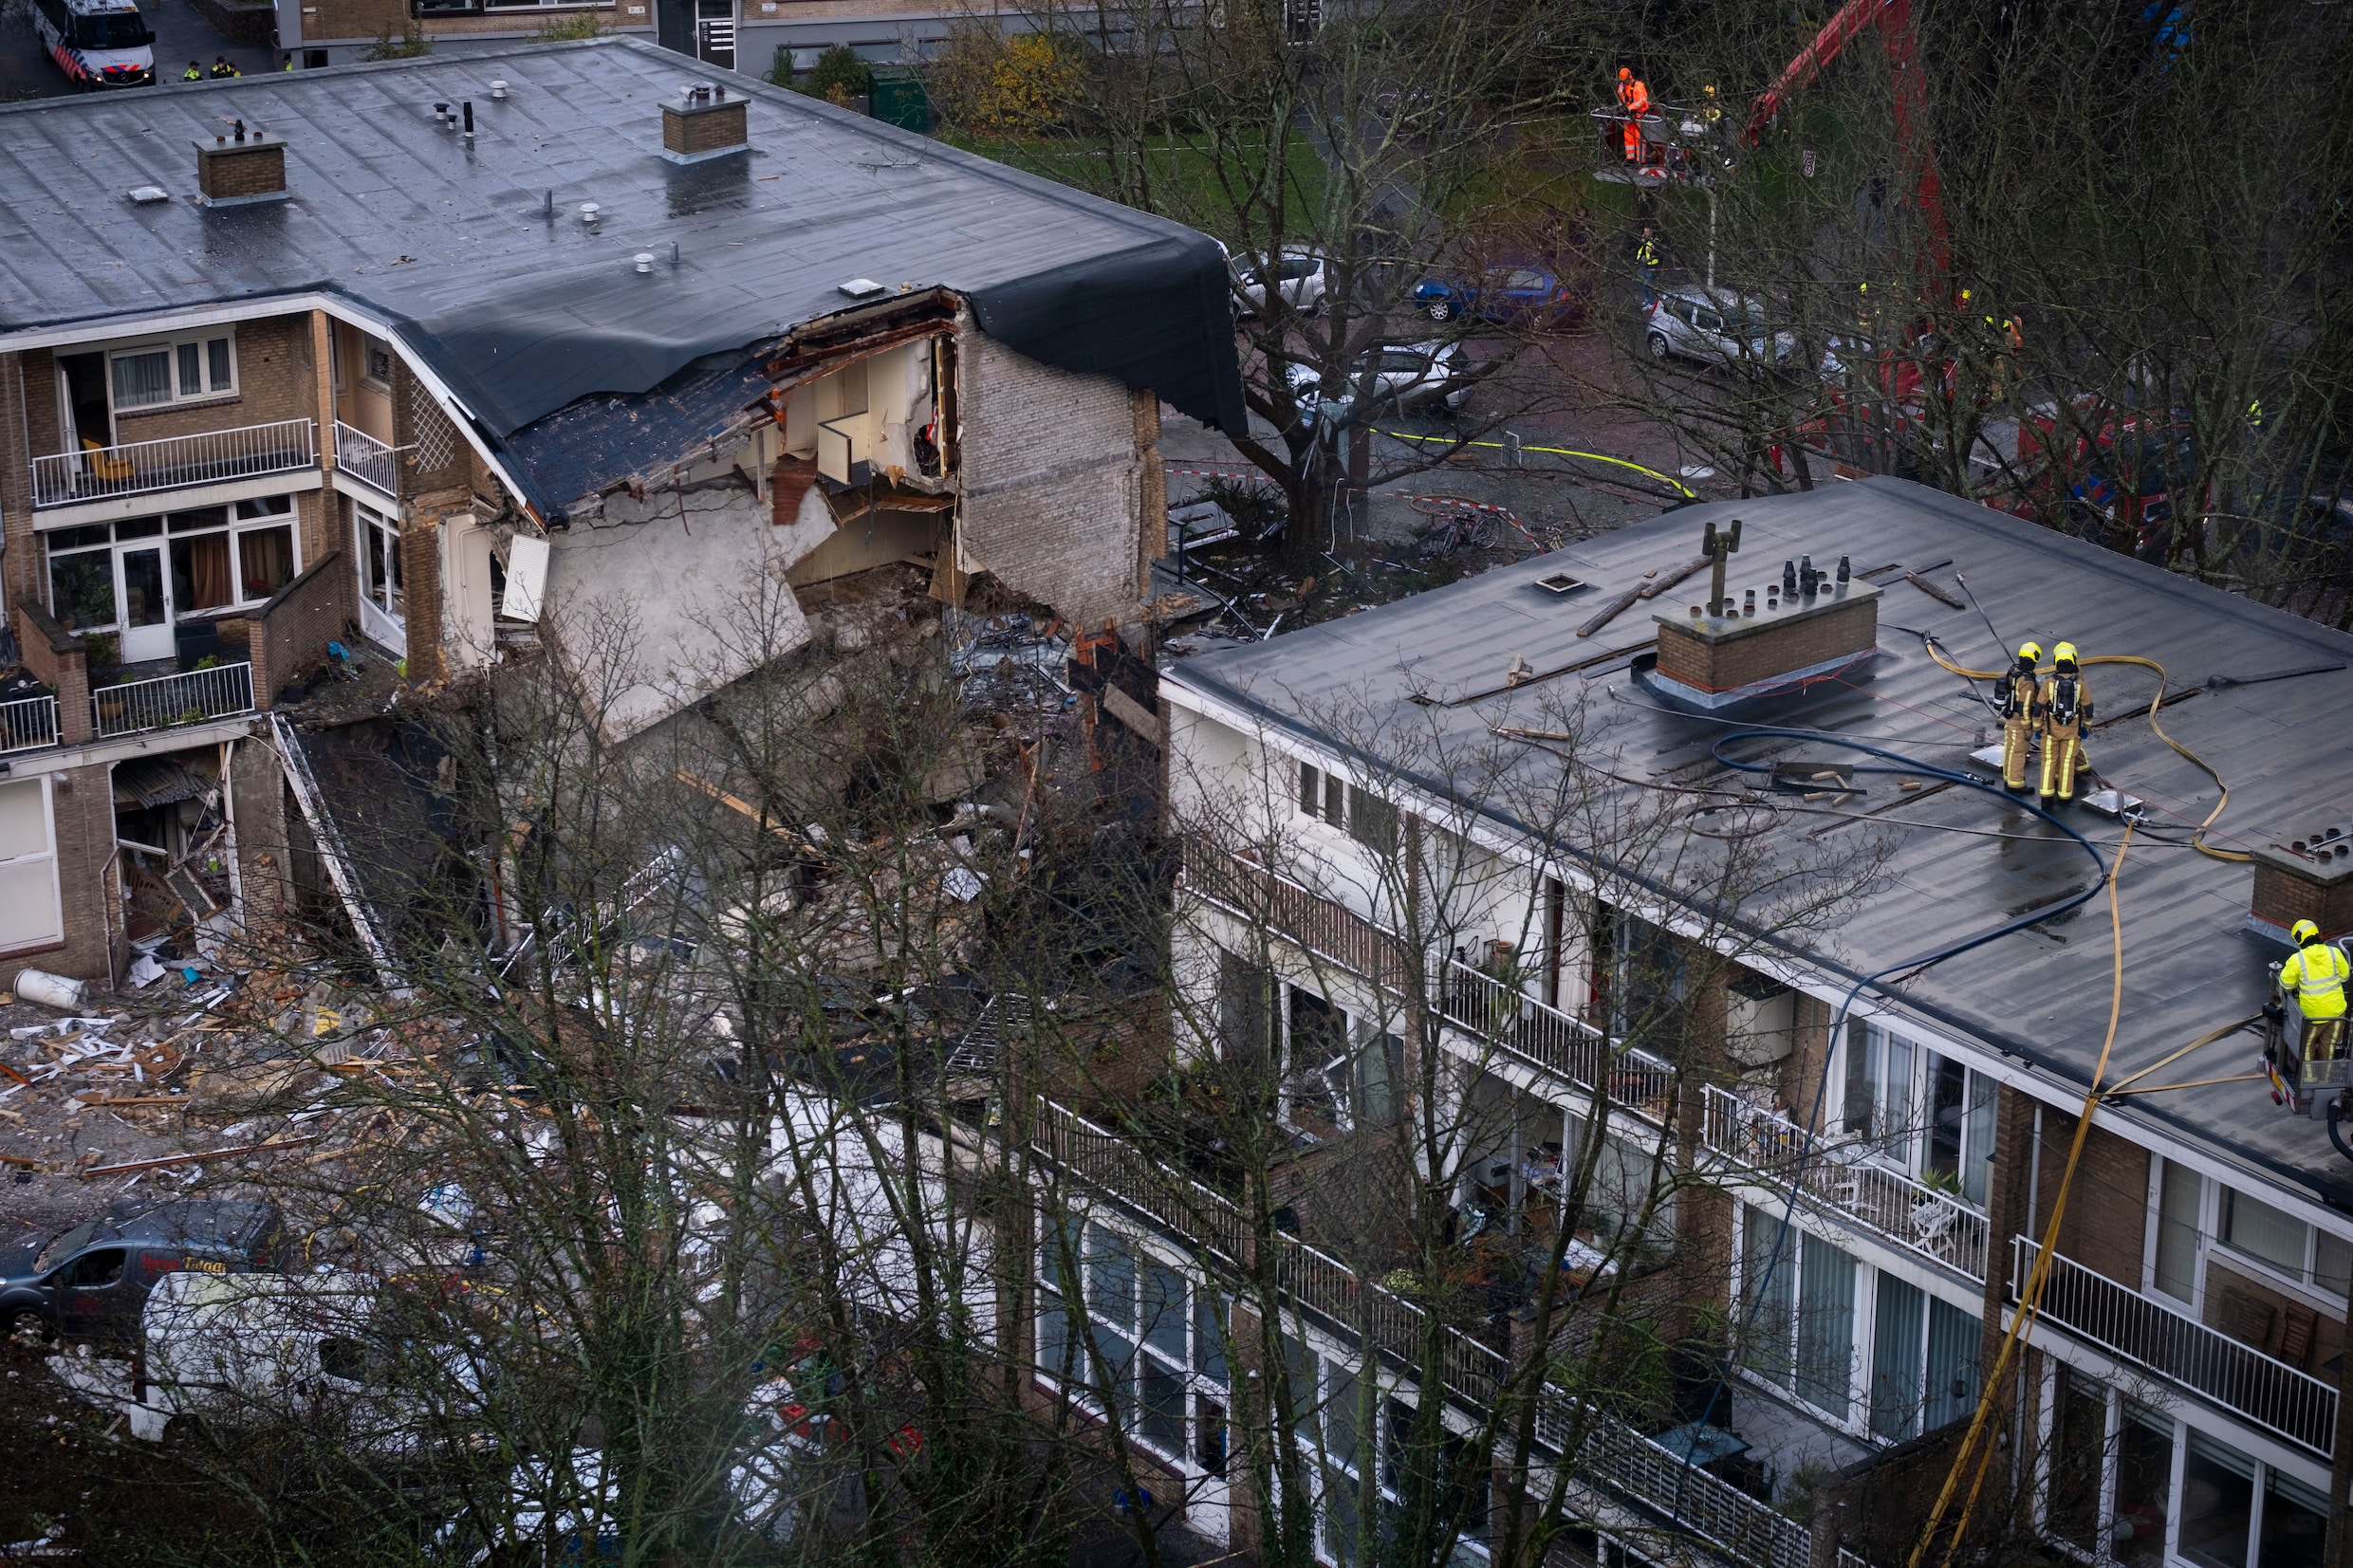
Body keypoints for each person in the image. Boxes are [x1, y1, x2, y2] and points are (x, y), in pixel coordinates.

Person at [2282, 919, 2350, 1076]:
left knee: (2307, 1046)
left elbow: (2286, 984)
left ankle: (2311, 1079)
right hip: (2337, 1012)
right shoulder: (2334, 952)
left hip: (2312, 1015)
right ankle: (2324, 1078)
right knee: (2329, 1045)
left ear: (2299, 939)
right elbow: (2345, 976)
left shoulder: (2297, 960)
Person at [2036, 641, 2092, 804]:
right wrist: (2086, 727)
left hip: (2050, 731)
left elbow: (2039, 707)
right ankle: (2065, 795)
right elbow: (2088, 709)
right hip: (2071, 731)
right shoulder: (2080, 684)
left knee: (2048, 761)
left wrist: (2037, 727)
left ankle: (2046, 796)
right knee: (2067, 762)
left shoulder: (2048, 683)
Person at [1992, 641, 2041, 794]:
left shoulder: (2013, 670)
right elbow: (2024, 706)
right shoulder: (2026, 681)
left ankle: (2009, 779)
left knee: (2010, 749)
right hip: (2020, 721)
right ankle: (2016, 784)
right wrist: (2027, 728)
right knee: (2019, 751)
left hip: (2010, 716)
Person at [1616, 67, 1651, 163]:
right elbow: (1620, 98)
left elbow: (1642, 101)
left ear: (1629, 77)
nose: (1624, 82)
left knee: (1639, 139)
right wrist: (1623, 109)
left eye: (1625, 80)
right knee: (1628, 137)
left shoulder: (1638, 86)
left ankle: (1640, 160)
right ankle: (1630, 158)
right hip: (1628, 116)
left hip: (1640, 116)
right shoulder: (1621, 87)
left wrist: (1630, 108)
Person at [1634, 227, 1660, 305]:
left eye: (1647, 232)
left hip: (1651, 267)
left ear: (1651, 232)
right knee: (1641, 283)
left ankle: (1651, 302)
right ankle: (1648, 298)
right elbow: (1638, 251)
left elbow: (1660, 252)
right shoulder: (1643, 241)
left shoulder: (1655, 241)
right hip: (1642, 266)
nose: (1646, 234)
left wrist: (1653, 251)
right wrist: (1642, 242)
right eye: (1645, 232)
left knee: (1650, 286)